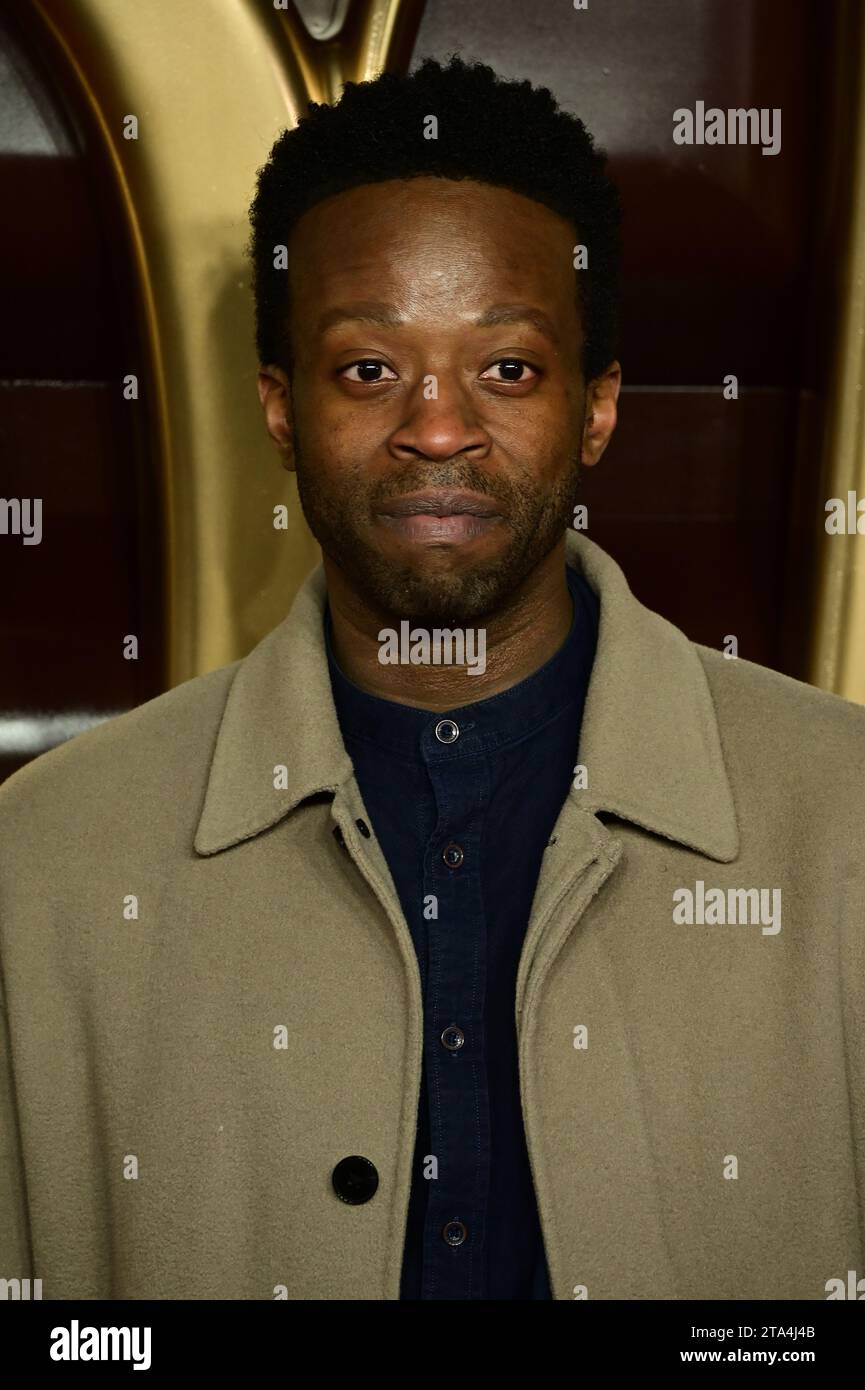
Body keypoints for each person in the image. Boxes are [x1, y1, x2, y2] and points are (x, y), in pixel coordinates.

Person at [1, 56, 863, 1303]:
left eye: (505, 368)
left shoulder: (840, 823)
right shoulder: (48, 865)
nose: (439, 426)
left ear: (599, 407)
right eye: (367, 369)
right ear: (281, 408)